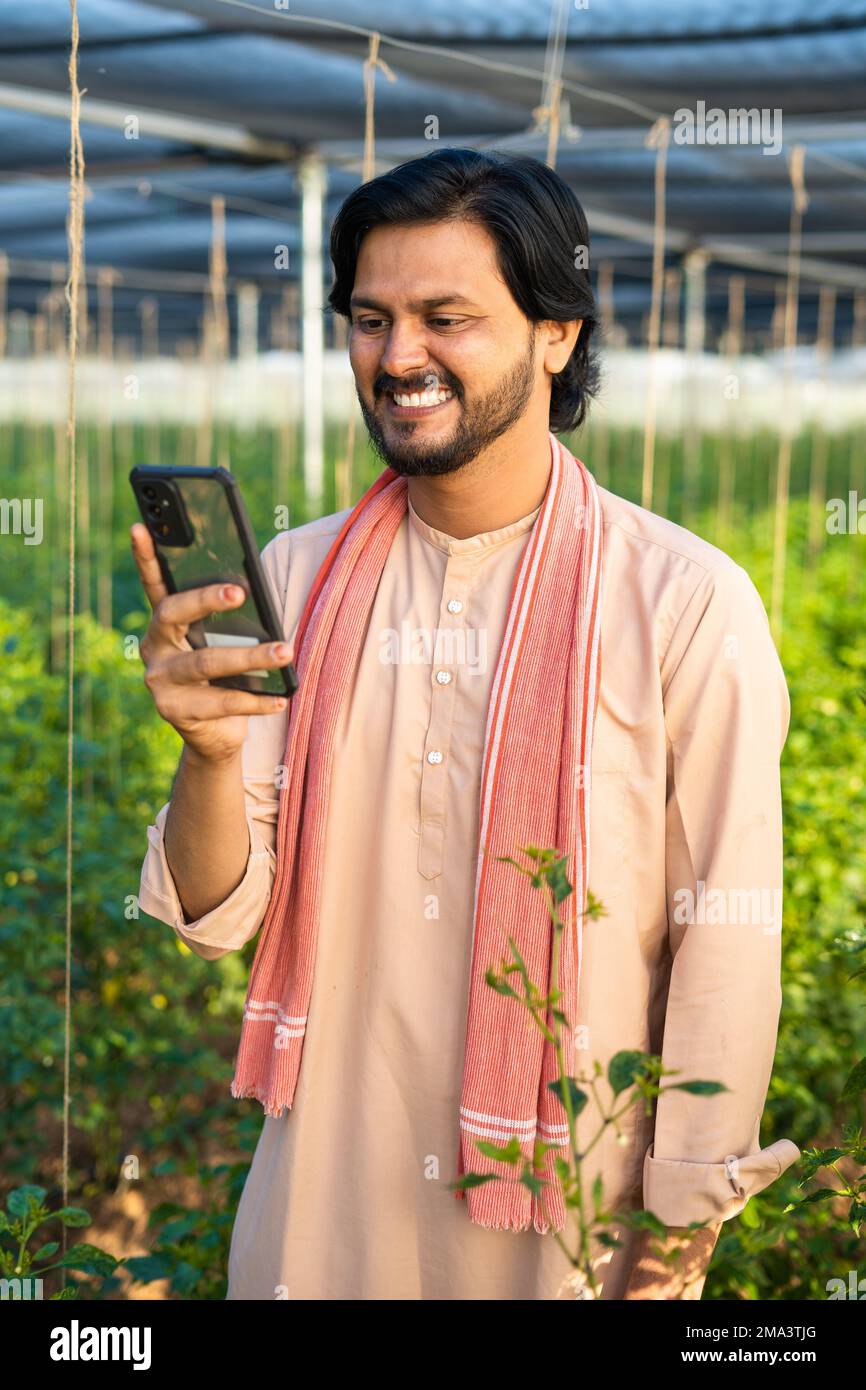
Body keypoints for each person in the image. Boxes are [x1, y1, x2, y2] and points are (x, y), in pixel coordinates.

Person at [133, 147, 799, 1300]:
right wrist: (206, 751)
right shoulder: (296, 578)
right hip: (318, 1211)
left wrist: (682, 1222)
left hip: (569, 1226)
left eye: (447, 317)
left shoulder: (678, 600)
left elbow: (726, 937)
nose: (398, 357)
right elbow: (213, 918)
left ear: (557, 331)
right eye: (369, 318)